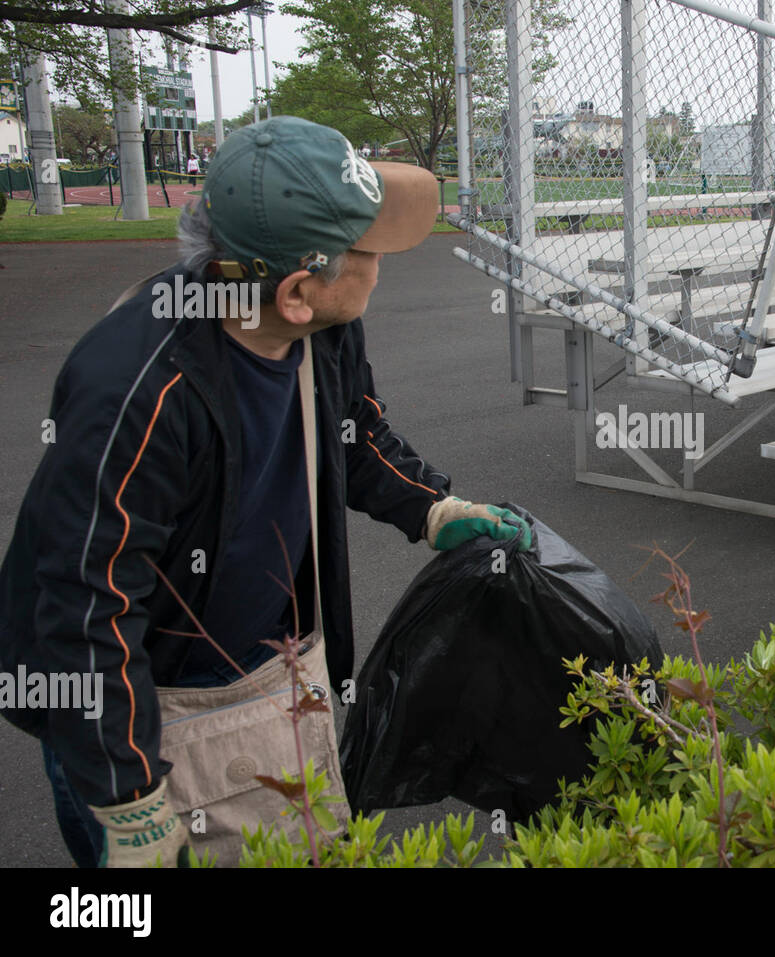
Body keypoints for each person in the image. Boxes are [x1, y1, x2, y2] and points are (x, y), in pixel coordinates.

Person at [0, 115, 530, 867]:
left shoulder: (325, 331)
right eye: (366, 247)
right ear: (296, 291)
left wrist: (434, 506)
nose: (381, 263)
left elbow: (359, 434)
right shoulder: (138, 387)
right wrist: (129, 800)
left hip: (273, 683)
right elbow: (84, 602)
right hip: (149, 716)